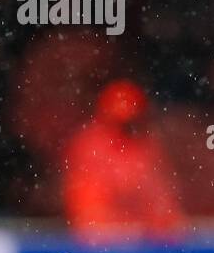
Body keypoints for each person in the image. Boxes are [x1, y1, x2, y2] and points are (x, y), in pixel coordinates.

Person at [62, 79, 187, 244]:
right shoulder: (90, 148)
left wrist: (154, 226)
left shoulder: (148, 148)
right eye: (120, 123)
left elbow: (166, 211)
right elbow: (89, 218)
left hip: (145, 245)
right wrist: (132, 229)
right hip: (103, 248)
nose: (128, 131)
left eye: (133, 122)